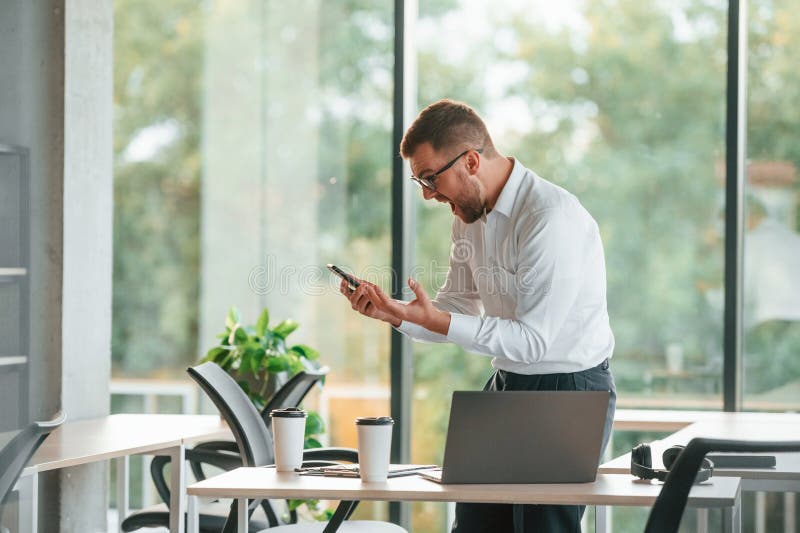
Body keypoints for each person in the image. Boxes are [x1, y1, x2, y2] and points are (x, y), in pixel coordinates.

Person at [340, 99, 616, 532]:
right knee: (472, 524)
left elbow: (532, 341)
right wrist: (395, 313)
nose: (429, 194)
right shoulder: (467, 218)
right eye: (420, 182)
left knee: (542, 528)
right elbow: (456, 309)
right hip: (507, 383)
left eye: (431, 178)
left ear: (471, 160)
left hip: (570, 390)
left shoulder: (549, 216)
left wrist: (436, 320)